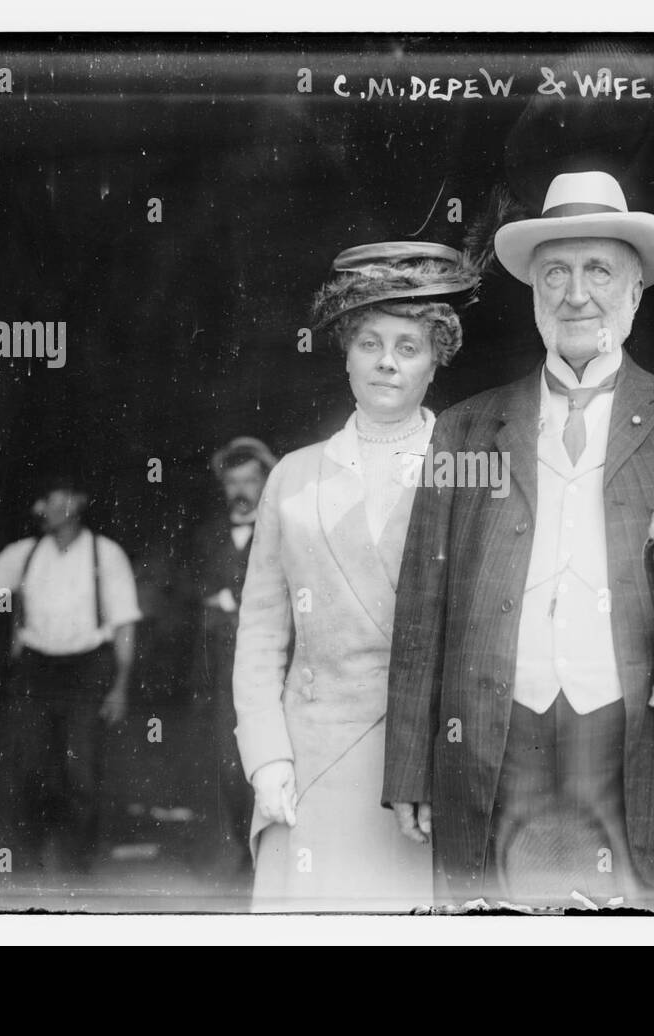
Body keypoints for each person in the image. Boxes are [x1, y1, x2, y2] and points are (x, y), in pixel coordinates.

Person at [383, 171, 654, 908]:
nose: (576, 295)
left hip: (638, 749)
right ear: (533, 295)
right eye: (555, 274)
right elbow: (422, 609)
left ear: (635, 293)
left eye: (599, 270)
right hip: (494, 744)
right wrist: (411, 766)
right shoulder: (465, 428)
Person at [232, 241, 478, 911]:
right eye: (370, 343)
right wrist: (267, 758)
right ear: (345, 353)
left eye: (408, 346)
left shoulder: (468, 471)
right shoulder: (294, 476)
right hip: (311, 765)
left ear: (436, 359)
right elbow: (260, 632)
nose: (387, 362)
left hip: (421, 773)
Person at [0, 474, 142, 876]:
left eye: (51, 500)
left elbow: (124, 623)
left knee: (80, 770)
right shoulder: (25, 553)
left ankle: (77, 865)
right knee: (30, 766)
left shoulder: (106, 554)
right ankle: (30, 860)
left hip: (87, 668)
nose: (42, 510)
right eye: (41, 502)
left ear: (77, 502)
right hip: (35, 669)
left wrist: (120, 685)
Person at [190, 436, 277, 890]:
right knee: (228, 761)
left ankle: (273, 854)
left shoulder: (280, 529)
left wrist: (228, 601)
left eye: (249, 481)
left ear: (265, 482)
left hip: (270, 666)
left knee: (271, 755)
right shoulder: (208, 535)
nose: (240, 491)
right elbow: (193, 594)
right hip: (222, 668)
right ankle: (240, 849)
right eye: (231, 482)